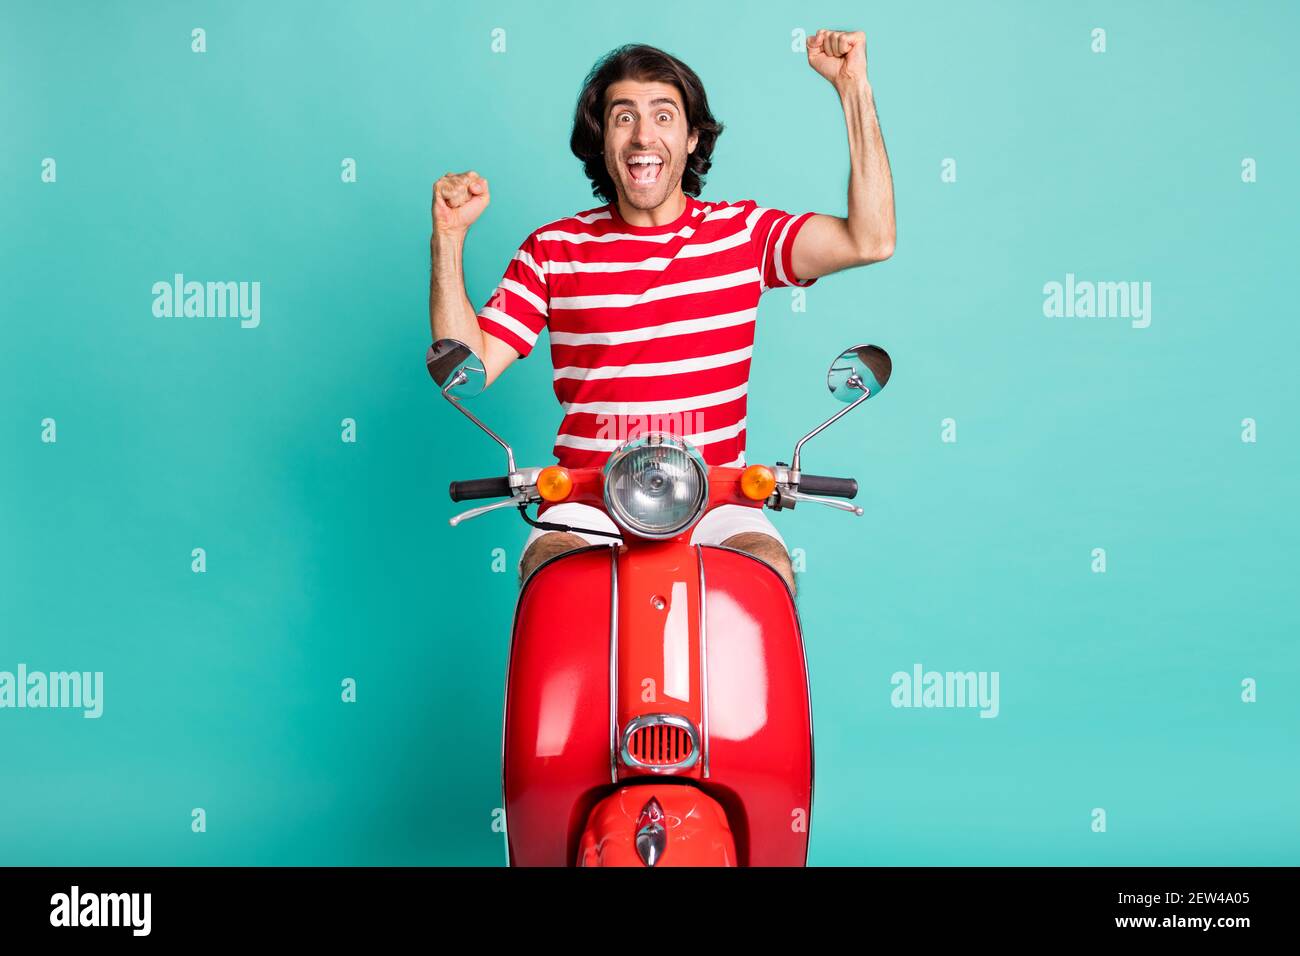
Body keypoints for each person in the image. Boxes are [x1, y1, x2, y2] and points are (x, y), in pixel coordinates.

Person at [429, 31, 895, 593]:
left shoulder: (744, 234)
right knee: (551, 582)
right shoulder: (554, 248)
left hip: (718, 498)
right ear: (602, 141)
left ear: (694, 137)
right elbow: (465, 365)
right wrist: (448, 239)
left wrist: (852, 87)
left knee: (766, 577)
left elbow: (870, 240)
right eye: (623, 117)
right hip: (586, 501)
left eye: (664, 116)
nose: (643, 135)